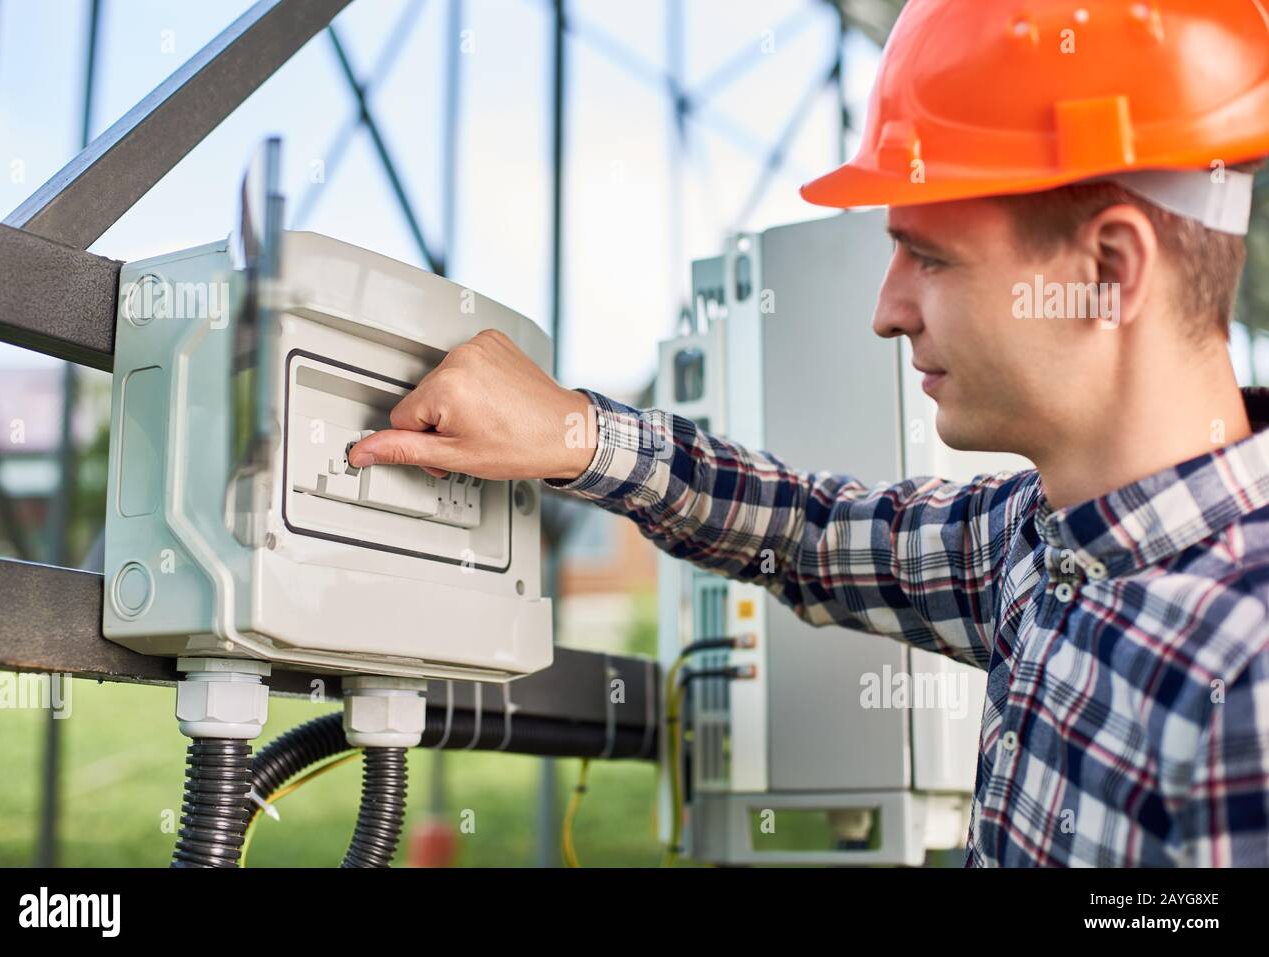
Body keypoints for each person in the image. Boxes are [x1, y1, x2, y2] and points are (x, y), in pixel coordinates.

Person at [348, 0, 1269, 866]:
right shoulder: (1035, 548)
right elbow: (806, 530)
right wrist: (581, 435)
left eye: (931, 257)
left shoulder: (1247, 670)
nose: (887, 310)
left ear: (1109, 270)